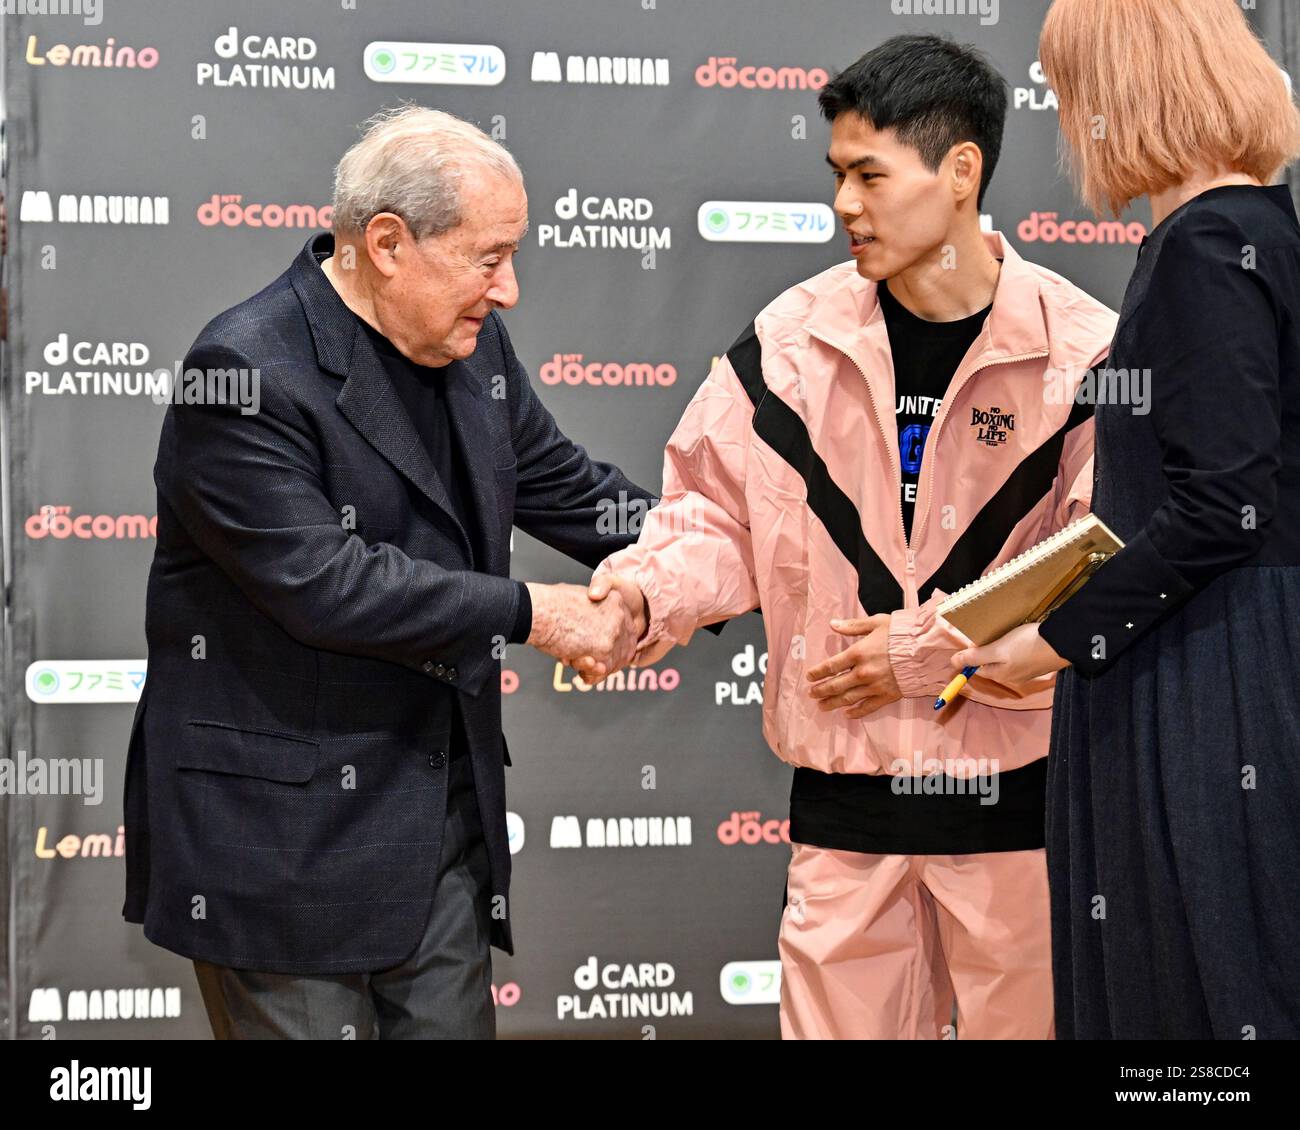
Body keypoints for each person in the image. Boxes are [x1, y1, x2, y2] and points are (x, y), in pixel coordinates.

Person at [592, 35, 1116, 1039]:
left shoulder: (1086, 354)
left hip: (1023, 821)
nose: (843, 203)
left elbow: (1096, 572)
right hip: (841, 822)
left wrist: (927, 651)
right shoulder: (788, 342)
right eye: (837, 174)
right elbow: (715, 517)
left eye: (869, 174)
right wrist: (640, 594)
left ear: (960, 172)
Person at [123, 106, 652, 1039]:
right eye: (488, 258)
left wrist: (719, 563)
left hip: (436, 829)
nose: (511, 289)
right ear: (387, 243)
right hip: (280, 848)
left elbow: (570, 489)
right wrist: (538, 613)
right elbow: (331, 583)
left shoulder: (473, 346)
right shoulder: (242, 370)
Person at [954, 0, 1300, 1039]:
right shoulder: (1250, 231)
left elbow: (1221, 504)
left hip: (1207, 669)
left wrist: (1055, 638)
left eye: (1070, 93)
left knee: (1203, 977)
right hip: (1208, 649)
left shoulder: (1206, 244)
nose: (1069, 122)